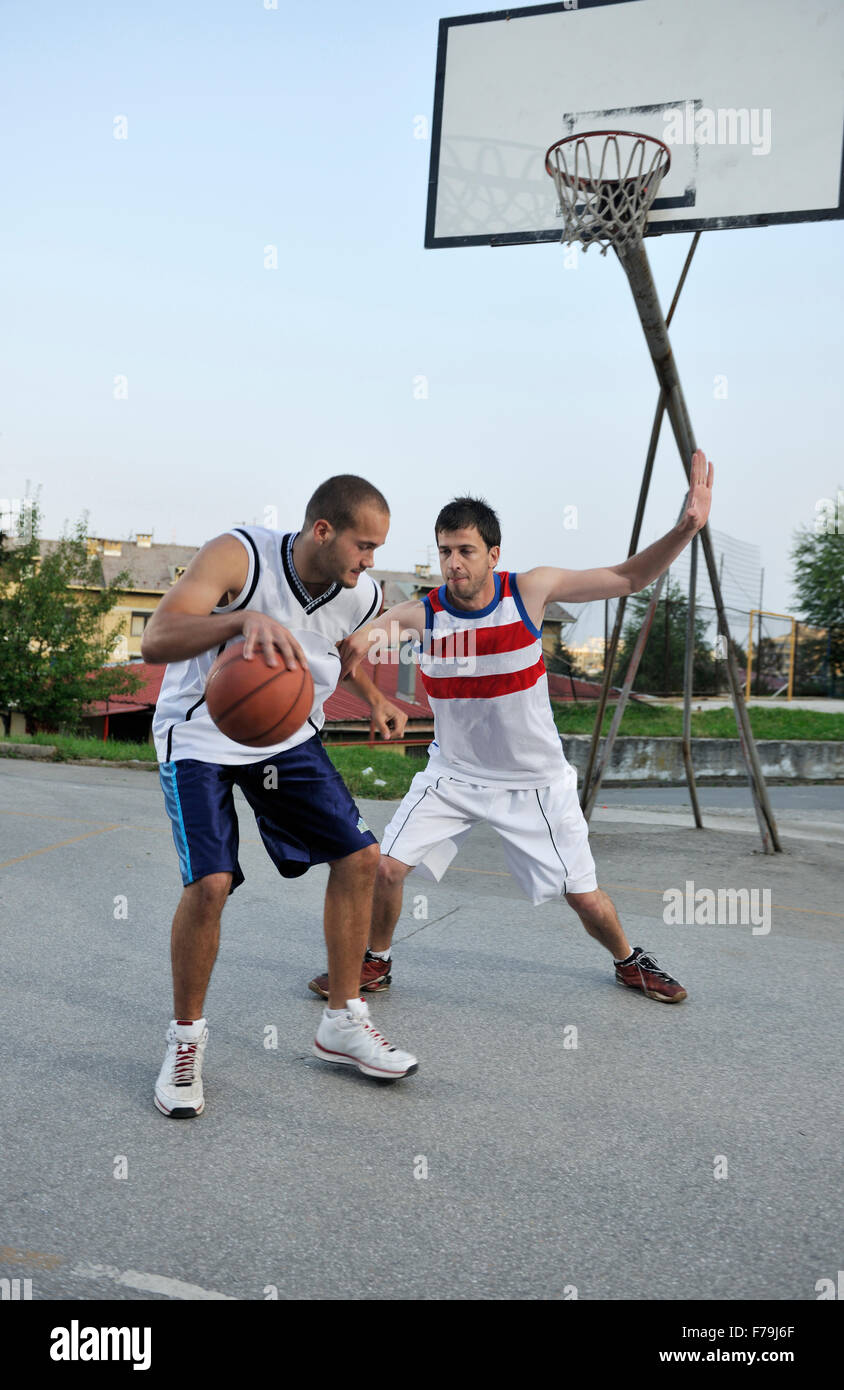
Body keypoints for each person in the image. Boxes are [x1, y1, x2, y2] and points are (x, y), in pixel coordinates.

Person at [309, 451, 714, 1009]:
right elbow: (355, 649)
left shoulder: (528, 591)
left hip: (534, 781)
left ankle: (628, 961)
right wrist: (367, 679)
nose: (453, 563)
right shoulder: (420, 616)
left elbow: (628, 576)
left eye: (465, 551)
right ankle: (375, 960)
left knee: (585, 899)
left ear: (493, 554)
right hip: (452, 773)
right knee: (386, 867)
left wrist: (684, 528)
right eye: (445, 550)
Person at [143, 475, 419, 1118]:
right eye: (364, 545)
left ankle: (342, 1022)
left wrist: (377, 700)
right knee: (210, 884)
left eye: (377, 549)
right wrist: (241, 619)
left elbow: (345, 655)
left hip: (283, 736)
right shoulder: (238, 556)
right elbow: (156, 637)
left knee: (359, 857)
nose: (371, 560)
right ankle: (185, 1044)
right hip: (200, 735)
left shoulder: (362, 593)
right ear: (323, 530)